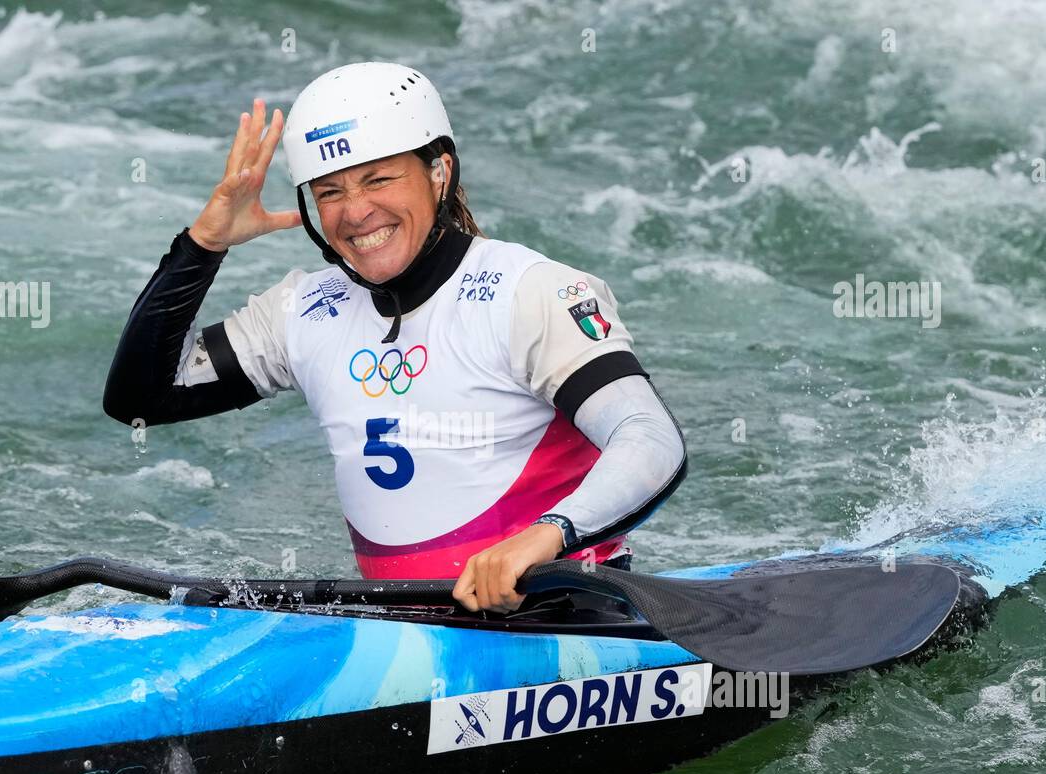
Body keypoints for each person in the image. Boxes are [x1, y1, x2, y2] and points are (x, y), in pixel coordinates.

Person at [104, 62, 686, 613]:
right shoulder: (304, 310)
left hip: (563, 612)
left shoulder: (533, 293)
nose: (356, 212)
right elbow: (140, 399)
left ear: (440, 172)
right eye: (329, 191)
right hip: (404, 628)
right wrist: (203, 244)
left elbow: (651, 439)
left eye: (378, 179)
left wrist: (546, 536)